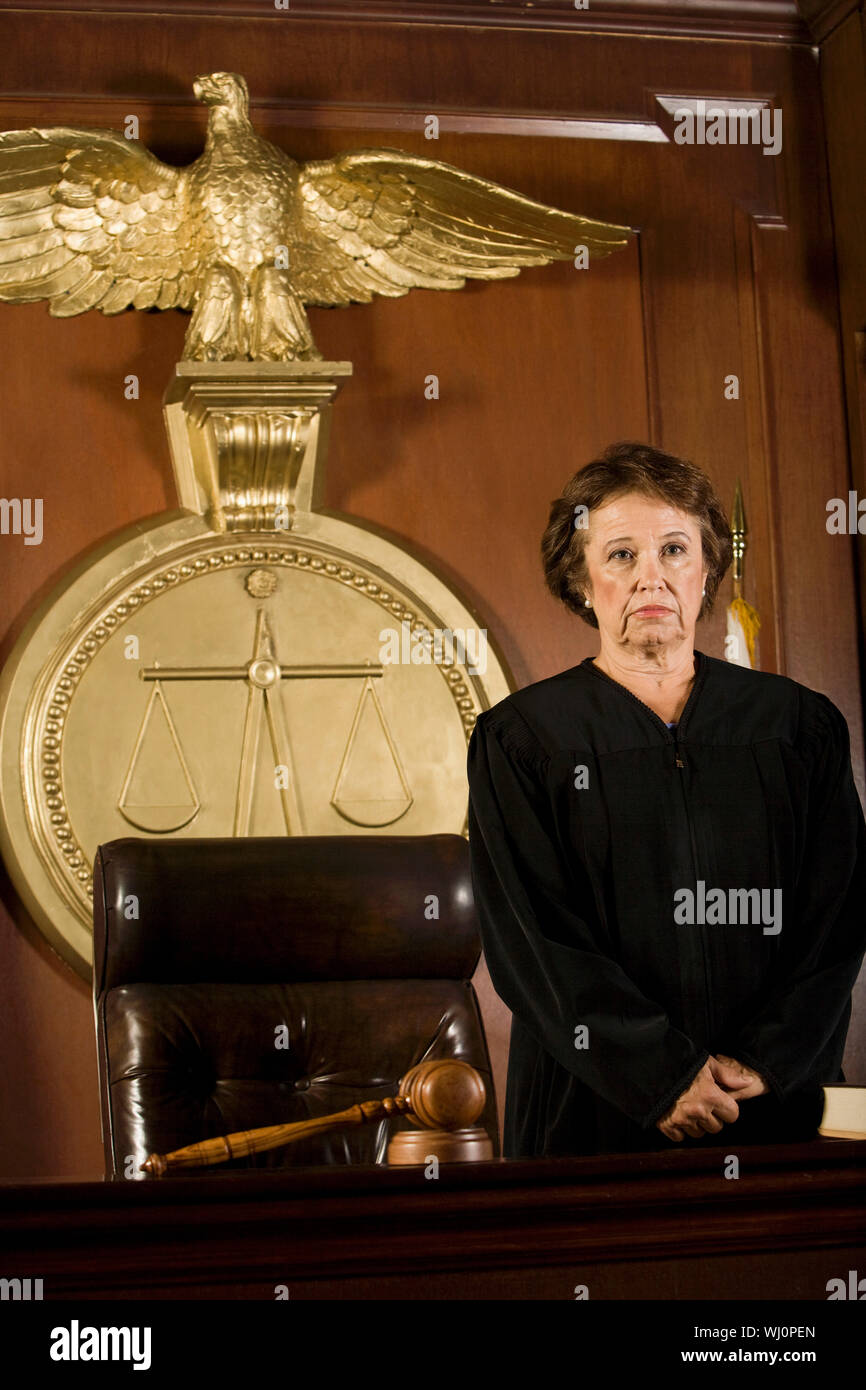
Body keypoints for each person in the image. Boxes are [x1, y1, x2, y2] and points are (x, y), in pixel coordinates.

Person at [467, 441, 866, 1156]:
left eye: (675, 550)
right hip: (592, 1116)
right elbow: (536, 942)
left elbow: (834, 918)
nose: (651, 576)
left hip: (771, 1111)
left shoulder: (798, 728)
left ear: (707, 569)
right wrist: (662, 1076)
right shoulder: (522, 741)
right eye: (621, 555)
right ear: (580, 579)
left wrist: (764, 1062)